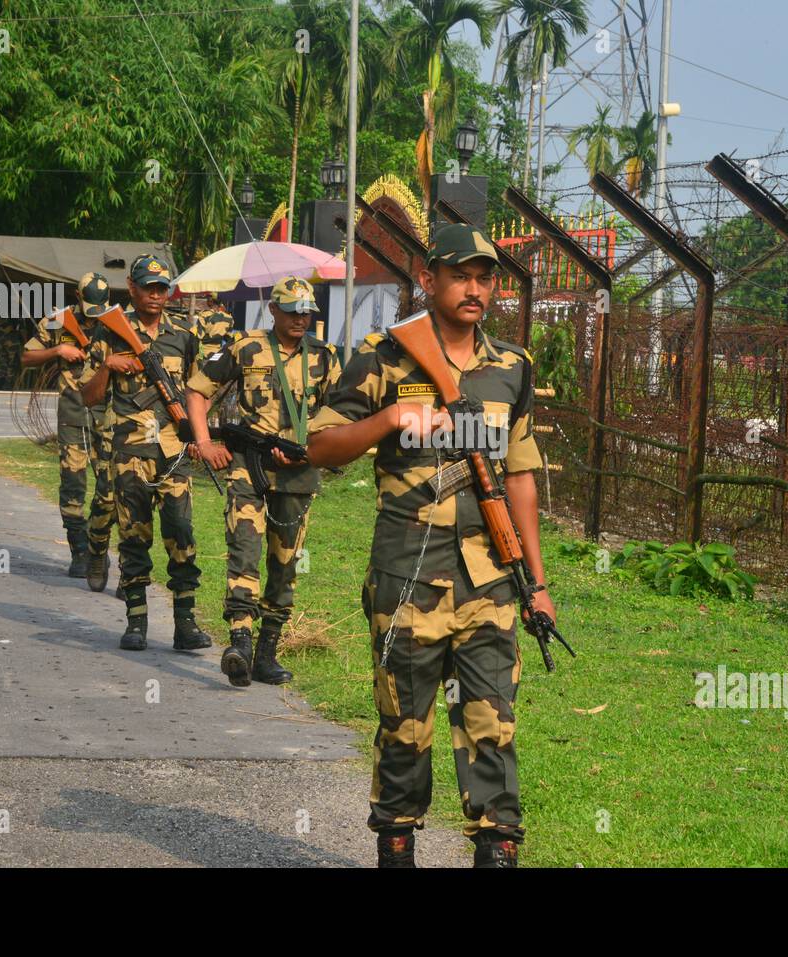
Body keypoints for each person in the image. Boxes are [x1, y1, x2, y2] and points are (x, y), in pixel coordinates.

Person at [307, 225, 555, 868]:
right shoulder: (382, 357)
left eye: (486, 277)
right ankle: (397, 844)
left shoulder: (512, 368)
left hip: (492, 582)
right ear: (429, 279)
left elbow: (520, 475)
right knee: (404, 727)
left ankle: (496, 848)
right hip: (407, 577)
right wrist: (388, 419)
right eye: (460, 275)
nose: (475, 289)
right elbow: (320, 448)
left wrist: (539, 581)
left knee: (491, 728)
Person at [186, 276, 340, 686]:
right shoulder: (247, 346)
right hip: (248, 466)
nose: (300, 320)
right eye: (292, 312)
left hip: (299, 470)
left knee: (286, 564)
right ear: (273, 310)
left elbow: (344, 412)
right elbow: (199, 390)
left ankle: (267, 653)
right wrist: (203, 441)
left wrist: (318, 448)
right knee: (244, 549)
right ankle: (240, 642)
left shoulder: (325, 357)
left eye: (306, 313)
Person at [79, 254, 212, 652]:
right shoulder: (109, 334)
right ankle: (136, 621)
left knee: (181, 535)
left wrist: (198, 437)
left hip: (174, 453)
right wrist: (109, 365)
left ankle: (185, 625)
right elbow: (88, 396)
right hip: (130, 453)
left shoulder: (184, 335)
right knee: (134, 536)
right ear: (132, 289)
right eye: (148, 287)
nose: (156, 295)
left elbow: (198, 392)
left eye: (161, 288)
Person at [20, 272, 116, 581]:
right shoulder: (57, 321)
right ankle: (79, 552)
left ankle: (99, 548)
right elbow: (26, 356)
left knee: (110, 485)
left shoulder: (118, 323)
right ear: (77, 299)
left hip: (109, 415)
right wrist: (57, 351)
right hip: (73, 413)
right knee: (73, 483)